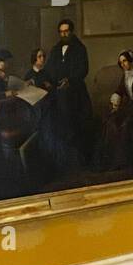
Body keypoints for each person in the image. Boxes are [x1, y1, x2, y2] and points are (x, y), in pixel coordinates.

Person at [39, 18, 93, 169]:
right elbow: (49, 69)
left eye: (66, 31)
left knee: (75, 124)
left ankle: (79, 162)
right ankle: (61, 162)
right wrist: (48, 81)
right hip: (58, 92)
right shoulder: (56, 49)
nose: (63, 34)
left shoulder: (80, 48)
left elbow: (83, 70)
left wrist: (70, 80)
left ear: (72, 31)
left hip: (76, 92)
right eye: (61, 32)